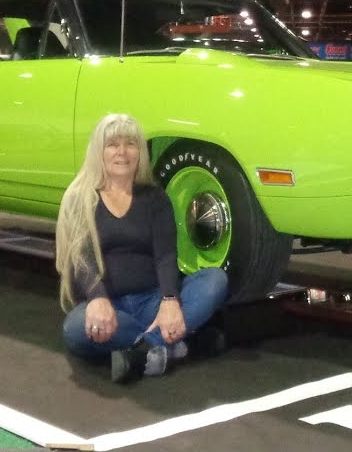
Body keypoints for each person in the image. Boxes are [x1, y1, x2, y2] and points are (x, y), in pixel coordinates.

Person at [55, 113, 229, 383]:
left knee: (215, 281)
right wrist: (98, 299)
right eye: (113, 145)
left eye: (130, 144)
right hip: (110, 306)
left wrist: (169, 301)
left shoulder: (155, 198)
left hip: (153, 301)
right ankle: (177, 339)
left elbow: (166, 255)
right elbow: (81, 259)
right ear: (98, 152)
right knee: (75, 330)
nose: (122, 152)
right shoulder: (81, 199)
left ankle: (147, 348)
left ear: (140, 152)